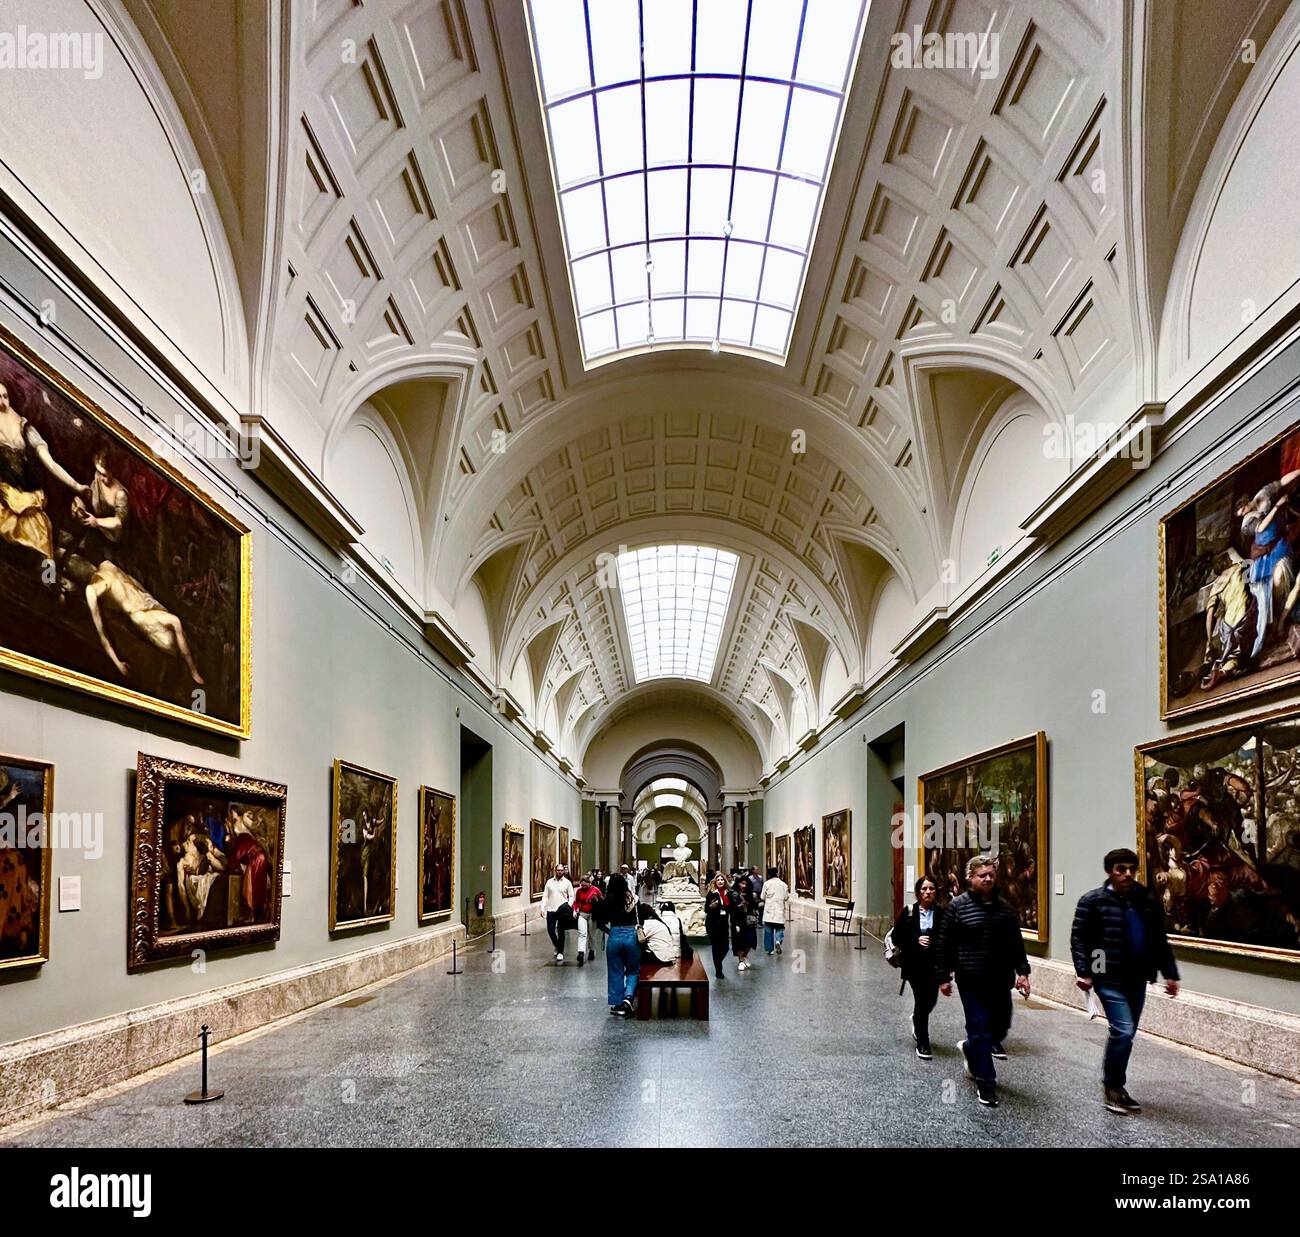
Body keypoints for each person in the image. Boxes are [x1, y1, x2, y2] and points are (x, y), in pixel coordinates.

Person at [1071, 847, 1181, 1115]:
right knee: (1122, 1030)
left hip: (1137, 977)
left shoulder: (1145, 900)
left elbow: (1158, 940)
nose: (1128, 874)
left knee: (1127, 1034)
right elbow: (1080, 939)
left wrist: (1170, 973)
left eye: (1132, 869)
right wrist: (1086, 972)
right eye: (1121, 869)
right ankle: (1113, 1088)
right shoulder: (1092, 901)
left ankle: (1116, 1085)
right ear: (1110, 871)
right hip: (1107, 977)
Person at [935, 853, 1031, 1107]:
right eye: (982, 875)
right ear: (971, 878)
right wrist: (943, 976)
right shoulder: (958, 907)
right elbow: (945, 943)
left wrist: (1023, 972)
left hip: (1000, 979)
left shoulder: (1005, 908)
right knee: (979, 1028)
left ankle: (970, 1048)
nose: (988, 879)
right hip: (971, 979)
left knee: (999, 1028)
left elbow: (1015, 943)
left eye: (991, 875)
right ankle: (986, 1083)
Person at [893, 877, 941, 1059]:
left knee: (931, 999)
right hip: (914, 965)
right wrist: (916, 939)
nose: (928, 892)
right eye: (924, 889)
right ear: (918, 892)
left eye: (931, 888)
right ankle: (923, 1041)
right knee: (921, 1000)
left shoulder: (941, 913)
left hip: (933, 965)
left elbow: (947, 938)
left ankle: (916, 1019)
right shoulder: (909, 912)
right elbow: (897, 936)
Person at [593, 872, 640, 1016]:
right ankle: (628, 998)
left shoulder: (607, 901)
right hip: (631, 935)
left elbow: (600, 923)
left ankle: (618, 1004)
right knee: (633, 970)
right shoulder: (632, 898)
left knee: (615, 971)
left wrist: (611, 932)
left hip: (614, 935)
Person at [540, 863, 575, 963]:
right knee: (550, 930)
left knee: (560, 931)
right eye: (558, 870)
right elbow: (545, 896)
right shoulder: (549, 882)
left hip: (562, 910)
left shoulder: (567, 882)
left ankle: (560, 952)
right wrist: (542, 908)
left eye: (561, 870)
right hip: (551, 909)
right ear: (555, 871)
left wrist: (568, 906)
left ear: (563, 871)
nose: (559, 872)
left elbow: (571, 896)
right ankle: (557, 945)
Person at [704, 873, 733, 981]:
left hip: (724, 923)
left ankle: (717, 961)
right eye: (718, 880)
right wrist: (711, 906)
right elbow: (706, 909)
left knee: (725, 947)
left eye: (722, 880)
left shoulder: (729, 893)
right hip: (713, 923)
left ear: (725, 881)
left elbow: (732, 907)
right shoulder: (712, 893)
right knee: (716, 947)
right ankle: (718, 970)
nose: (720, 881)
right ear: (715, 882)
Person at [573, 871, 602, 966]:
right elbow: (576, 901)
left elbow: (602, 900)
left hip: (592, 915)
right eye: (582, 885)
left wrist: (596, 900)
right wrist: (575, 910)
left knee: (591, 934)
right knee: (582, 933)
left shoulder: (596, 890)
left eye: (585, 885)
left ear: (589, 883)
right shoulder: (579, 891)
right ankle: (581, 952)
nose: (584, 887)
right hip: (582, 914)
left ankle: (592, 950)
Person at [730, 875, 758, 970]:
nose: (744, 886)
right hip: (738, 920)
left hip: (749, 920)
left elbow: (754, 907)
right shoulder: (734, 894)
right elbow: (731, 908)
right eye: (742, 883)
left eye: (746, 884)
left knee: (750, 941)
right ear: (738, 883)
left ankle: (745, 956)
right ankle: (741, 960)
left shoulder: (750, 894)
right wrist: (739, 906)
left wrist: (754, 901)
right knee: (739, 941)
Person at [760, 864, 788, 955]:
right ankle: (778, 941)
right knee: (779, 928)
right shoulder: (783, 884)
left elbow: (762, 897)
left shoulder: (766, 884)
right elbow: (786, 897)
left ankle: (770, 949)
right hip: (779, 909)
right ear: (777, 873)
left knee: (768, 930)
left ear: (769, 874)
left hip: (769, 910)